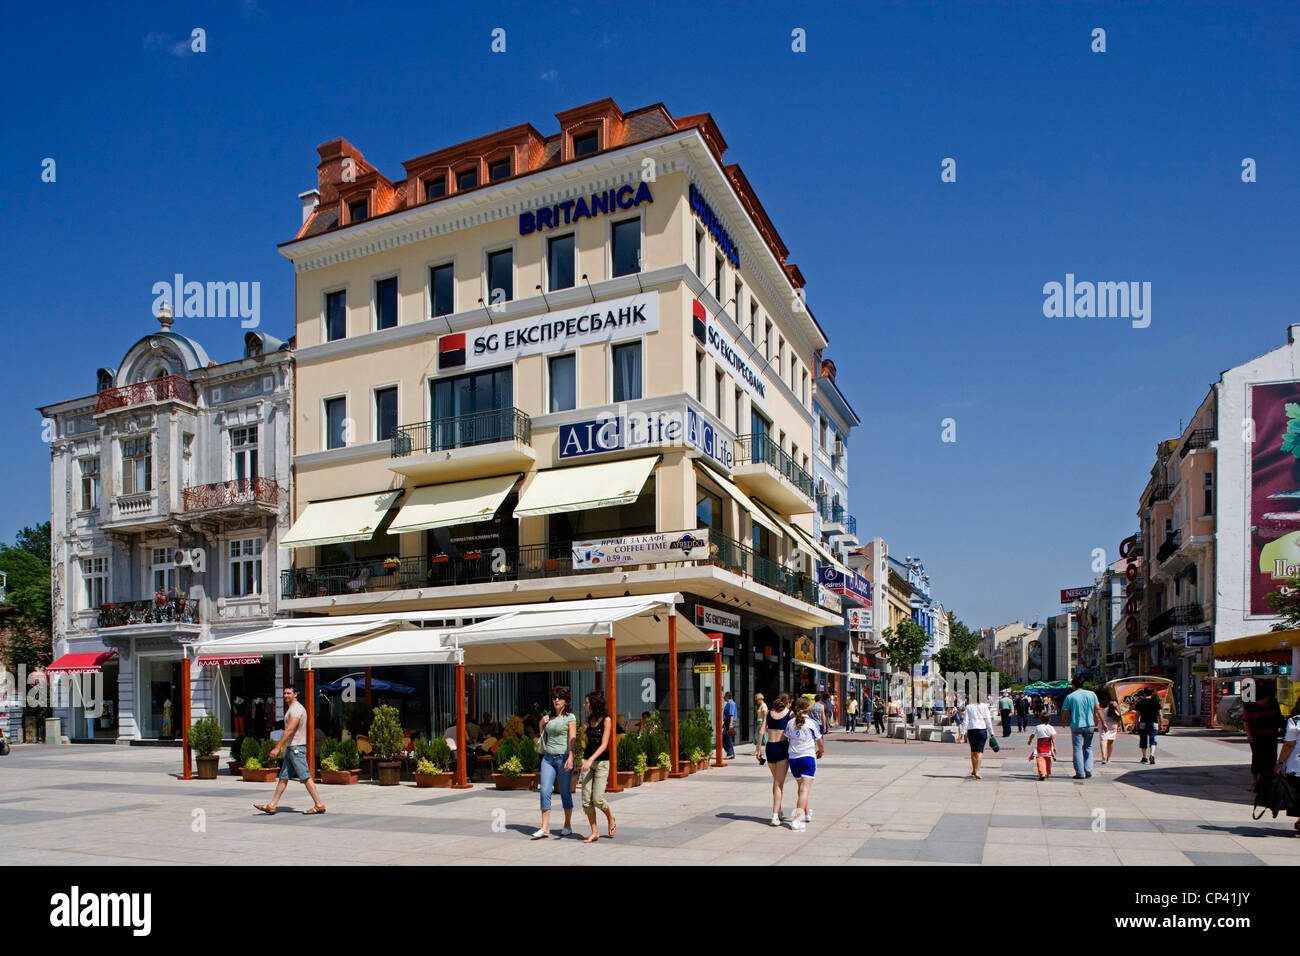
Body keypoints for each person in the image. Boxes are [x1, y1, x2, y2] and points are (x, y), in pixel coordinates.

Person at [254, 686, 326, 816]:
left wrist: (277, 747)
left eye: (289, 693)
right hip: (292, 748)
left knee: (305, 777)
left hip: (296, 748)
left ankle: (319, 804)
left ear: (295, 694)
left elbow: (289, 730)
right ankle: (272, 805)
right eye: (285, 693)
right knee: (283, 777)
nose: (286, 695)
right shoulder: (293, 709)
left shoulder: (296, 709)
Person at [532, 685, 576, 839]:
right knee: (544, 790)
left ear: (566, 701)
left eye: (560, 697)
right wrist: (540, 724)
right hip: (548, 758)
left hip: (563, 758)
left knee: (564, 792)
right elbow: (543, 737)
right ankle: (545, 828)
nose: (557, 700)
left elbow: (572, 739)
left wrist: (571, 757)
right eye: (554, 697)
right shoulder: (548, 717)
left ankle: (567, 824)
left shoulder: (570, 717)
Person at [578, 692, 616, 844]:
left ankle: (610, 818)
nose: (584, 705)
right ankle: (594, 832)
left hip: (601, 763)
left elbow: (604, 744)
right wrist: (582, 732)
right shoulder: (588, 720)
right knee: (586, 801)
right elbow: (584, 743)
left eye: (586, 702)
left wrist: (591, 760)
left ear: (593, 704)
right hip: (587, 761)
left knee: (597, 799)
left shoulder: (606, 720)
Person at [784, 695, 825, 831]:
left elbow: (787, 737)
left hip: (794, 758)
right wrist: (821, 750)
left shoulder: (790, 722)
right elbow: (819, 741)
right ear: (809, 708)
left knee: (801, 788)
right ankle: (797, 819)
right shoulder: (812, 723)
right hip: (807, 757)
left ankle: (806, 813)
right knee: (804, 789)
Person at [1060, 675, 1106, 779]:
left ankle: (1080, 773)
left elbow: (1065, 711)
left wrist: (1064, 721)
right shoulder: (1092, 694)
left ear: (1073, 685)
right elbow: (1098, 709)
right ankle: (1088, 769)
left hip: (1076, 725)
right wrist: (1104, 723)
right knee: (1088, 747)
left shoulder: (1070, 696)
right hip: (1090, 725)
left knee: (1077, 748)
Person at [1243, 683, 1284, 786]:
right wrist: (1249, 735)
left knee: (1271, 757)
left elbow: (1279, 718)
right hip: (1256, 735)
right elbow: (1246, 720)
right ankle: (1256, 778)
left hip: (1271, 735)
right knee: (1258, 756)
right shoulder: (1251, 705)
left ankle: (1267, 777)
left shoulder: (1274, 703)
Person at [764, 693, 794, 826]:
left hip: (769, 747)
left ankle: (779, 810)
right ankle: (775, 816)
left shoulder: (769, 713)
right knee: (779, 783)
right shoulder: (790, 713)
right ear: (788, 702)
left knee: (776, 781)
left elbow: (761, 731)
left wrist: (758, 750)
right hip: (782, 747)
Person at [1275, 708, 1300, 834]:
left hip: (1297, 766)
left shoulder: (1295, 721)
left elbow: (1289, 744)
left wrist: (1280, 763)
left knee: (1297, 794)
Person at [964, 695, 993, 779]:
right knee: (980, 751)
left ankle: (973, 770)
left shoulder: (968, 707)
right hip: (982, 729)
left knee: (973, 751)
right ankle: (977, 771)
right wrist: (991, 732)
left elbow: (965, 720)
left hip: (972, 729)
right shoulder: (984, 706)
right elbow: (988, 720)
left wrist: (962, 733)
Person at [1134, 687, 1162, 765]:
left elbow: (1137, 715)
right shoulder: (1156, 702)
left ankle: (1144, 757)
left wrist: (1136, 725)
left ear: (1144, 693)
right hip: (1153, 722)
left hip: (1143, 723)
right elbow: (1159, 713)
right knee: (1153, 739)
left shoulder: (1140, 702)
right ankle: (1152, 755)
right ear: (1152, 693)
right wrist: (1161, 723)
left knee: (1143, 739)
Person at [1028, 711, 1058, 780]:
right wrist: (1054, 746)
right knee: (1048, 759)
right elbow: (1053, 737)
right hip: (1048, 746)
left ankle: (1042, 773)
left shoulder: (1037, 727)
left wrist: (1029, 740)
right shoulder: (1051, 727)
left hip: (1040, 746)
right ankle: (1047, 772)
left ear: (1040, 719)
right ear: (1049, 719)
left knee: (1040, 759)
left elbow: (1032, 735)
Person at [1099, 694, 1121, 765]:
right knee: (1110, 741)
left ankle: (1103, 758)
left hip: (1103, 722)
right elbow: (1119, 714)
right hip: (1113, 723)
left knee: (1103, 739)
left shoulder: (1099, 703)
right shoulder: (1114, 703)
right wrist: (1119, 725)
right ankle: (1108, 758)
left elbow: (1097, 713)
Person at [753, 693, 769, 764]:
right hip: (759, 722)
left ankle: (758, 752)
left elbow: (765, 715)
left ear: (760, 699)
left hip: (761, 722)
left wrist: (764, 724)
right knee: (758, 738)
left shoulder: (763, 706)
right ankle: (758, 752)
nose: (757, 701)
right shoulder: (760, 706)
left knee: (761, 738)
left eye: (757, 700)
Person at [722, 691, 737, 759]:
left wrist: (730, 724)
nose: (723, 698)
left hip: (729, 722)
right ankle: (731, 754)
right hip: (727, 722)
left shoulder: (730, 704)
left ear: (727, 697)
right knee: (728, 739)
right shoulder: (731, 703)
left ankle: (730, 753)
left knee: (725, 738)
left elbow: (731, 715)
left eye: (724, 696)